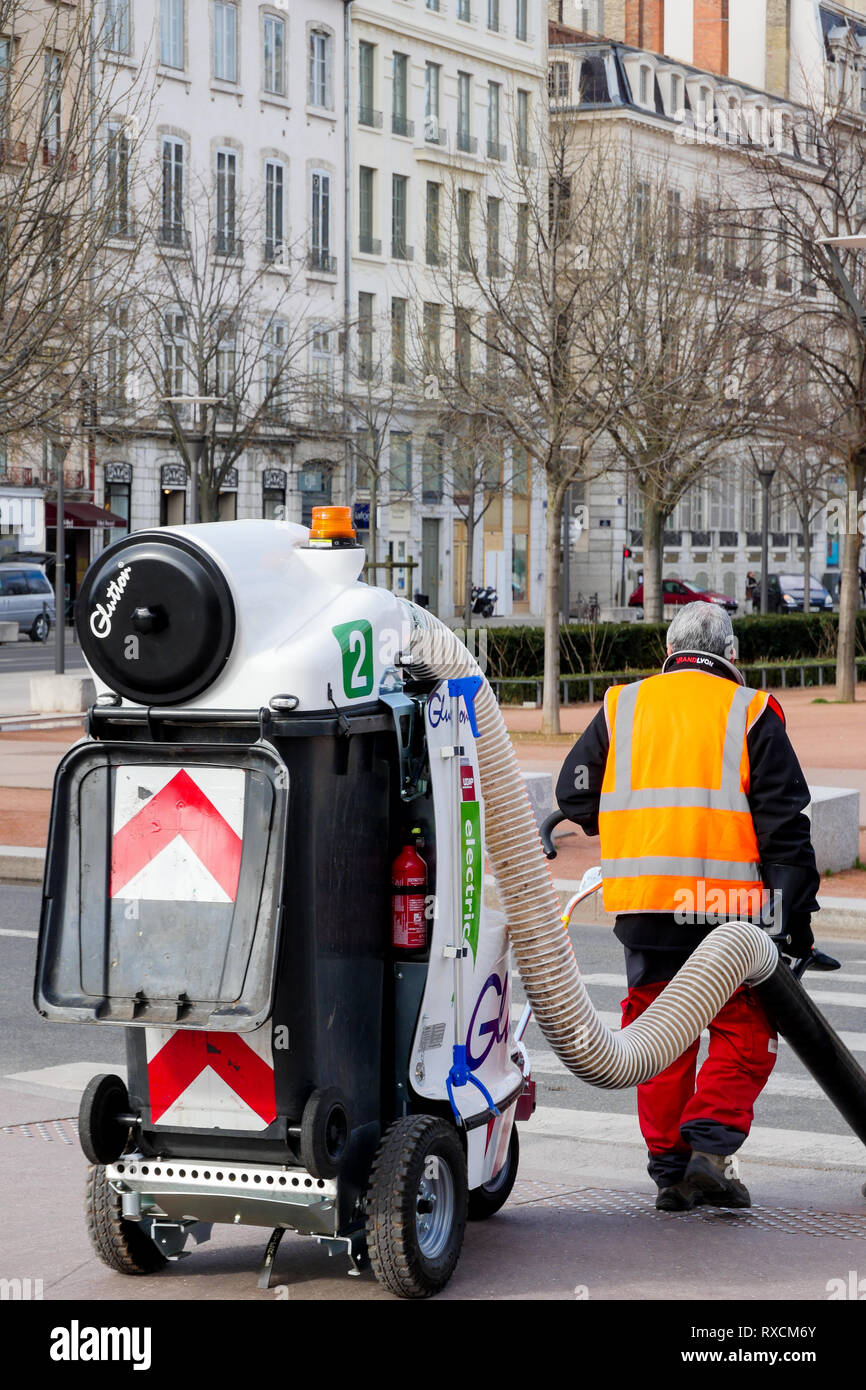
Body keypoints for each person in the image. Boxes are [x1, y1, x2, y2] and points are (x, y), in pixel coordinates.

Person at [555, 601, 820, 1213]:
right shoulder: (751, 710)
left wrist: (623, 825)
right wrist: (792, 925)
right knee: (745, 1028)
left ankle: (670, 1170)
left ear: (668, 653)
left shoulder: (623, 704)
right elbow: (786, 830)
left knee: (657, 1034)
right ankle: (708, 1152)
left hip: (643, 905)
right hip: (725, 909)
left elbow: (575, 790)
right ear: (731, 655)